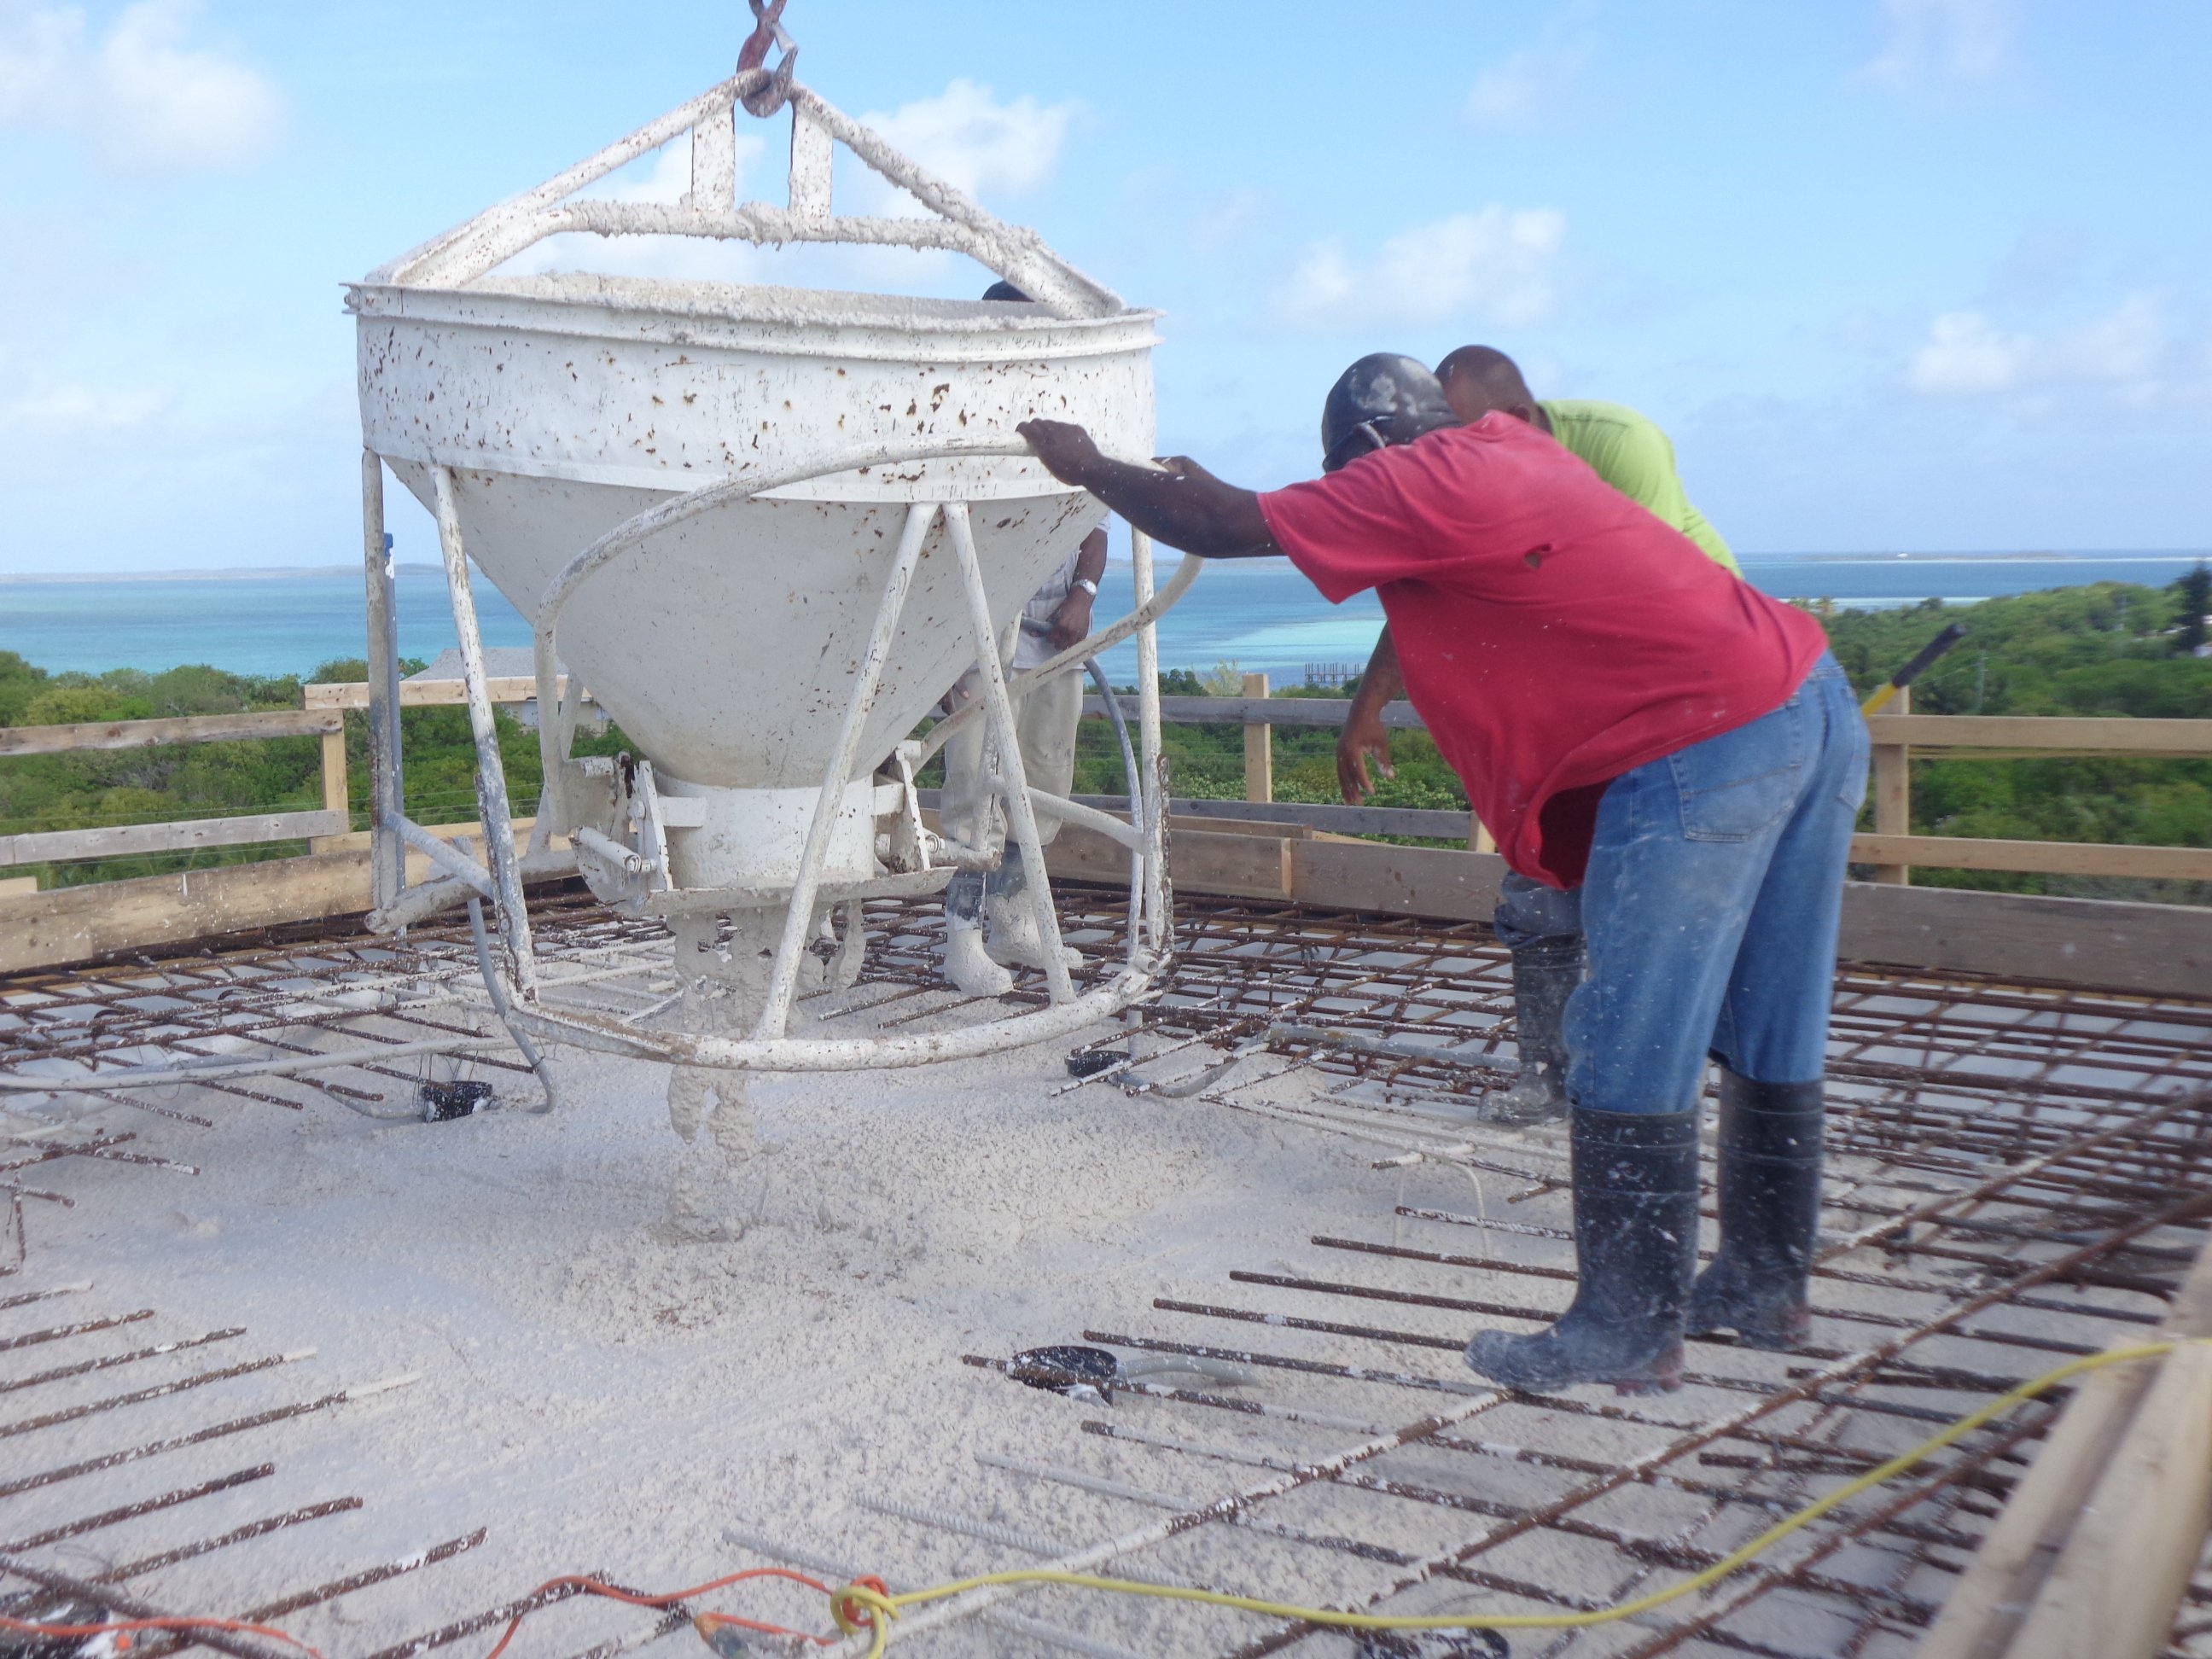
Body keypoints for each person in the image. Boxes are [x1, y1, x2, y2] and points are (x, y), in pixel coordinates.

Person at [1016, 354, 1866, 1396]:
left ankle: (1626, 1328)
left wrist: (1088, 464)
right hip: (1810, 701)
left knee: (1629, 1036)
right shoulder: (1504, 458)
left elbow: (1227, 523)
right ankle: (1764, 1285)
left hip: (1702, 741)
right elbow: (1408, 576)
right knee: (1774, 1019)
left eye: (1345, 474)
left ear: (1367, 449)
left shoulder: (1418, 473)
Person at [1337, 346, 1743, 1126]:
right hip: (1577, 697)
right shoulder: (1466, 489)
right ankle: (1549, 1074)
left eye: (1461, 443)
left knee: (1661, 893)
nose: (1449, 466)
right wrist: (1367, 709)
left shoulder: (1618, 445)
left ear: (1515, 422)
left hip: (1695, 690)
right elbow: (1426, 593)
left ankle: (1666, 1084)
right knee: (1541, 887)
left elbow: (1645, 596)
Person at [937, 280, 1109, 995]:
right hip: (980, 631)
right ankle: (962, 941)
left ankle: (1014, 922)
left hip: (1052, 638)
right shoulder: (957, 412)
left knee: (1039, 783)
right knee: (973, 791)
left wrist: (1084, 593)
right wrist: (941, 649)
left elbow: (1096, 522)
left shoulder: (1071, 417)